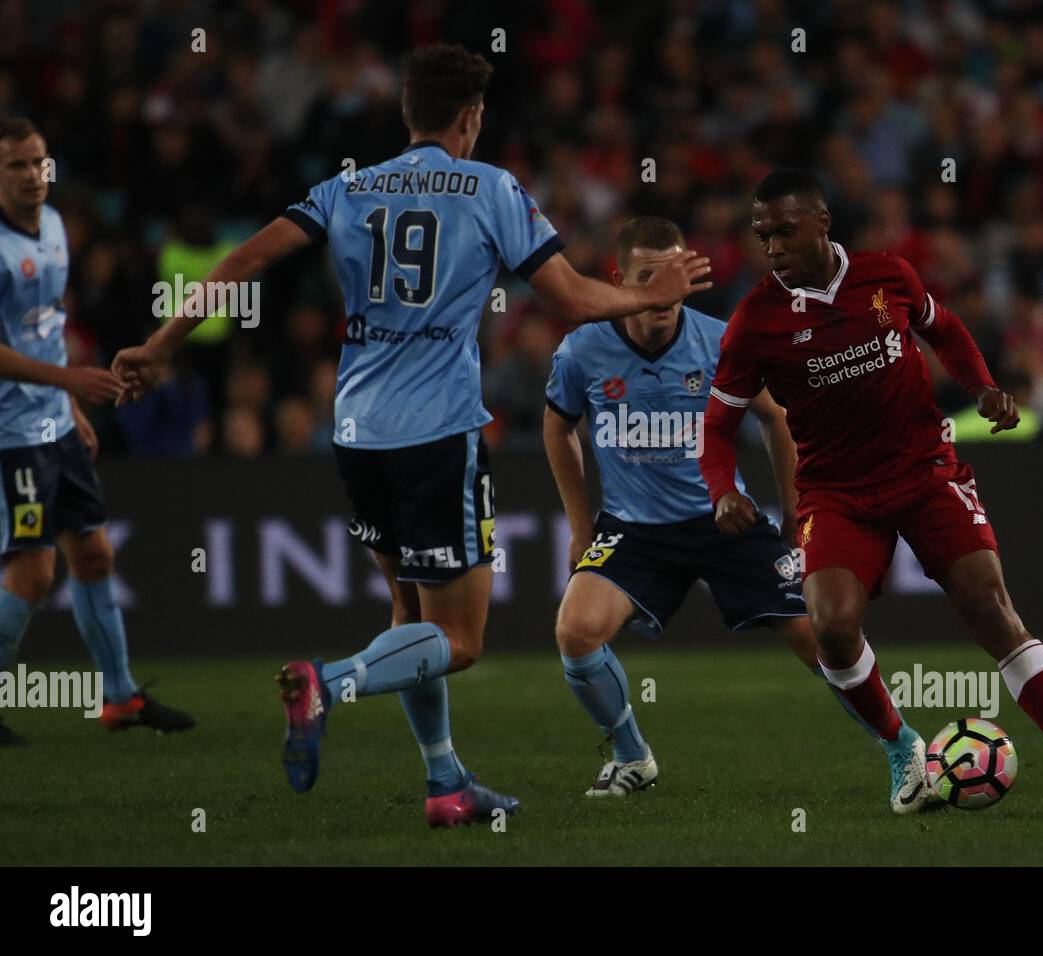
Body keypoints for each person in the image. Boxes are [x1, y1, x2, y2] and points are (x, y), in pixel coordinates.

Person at [111, 45, 710, 826]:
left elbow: (247, 259)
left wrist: (161, 345)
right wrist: (652, 294)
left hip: (357, 431)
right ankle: (328, 681)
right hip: (437, 435)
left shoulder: (348, 187)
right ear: (471, 118)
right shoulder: (492, 188)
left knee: (409, 615)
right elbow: (568, 296)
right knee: (458, 640)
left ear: (407, 114)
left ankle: (446, 783)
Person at [699, 169, 1043, 815]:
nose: (772, 246)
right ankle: (901, 746)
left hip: (925, 472)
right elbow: (719, 423)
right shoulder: (755, 321)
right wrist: (722, 489)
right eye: (761, 235)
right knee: (832, 628)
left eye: (784, 230)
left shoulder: (886, 275)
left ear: (822, 222)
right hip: (835, 492)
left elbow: (941, 328)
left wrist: (981, 387)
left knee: (988, 600)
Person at [545, 216, 930, 807]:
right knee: (575, 632)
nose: (667, 293)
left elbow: (776, 419)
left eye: (678, 277)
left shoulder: (719, 341)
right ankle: (630, 756)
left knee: (820, 635)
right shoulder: (583, 350)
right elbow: (558, 425)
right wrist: (579, 524)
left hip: (725, 520)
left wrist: (796, 514)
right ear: (621, 280)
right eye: (652, 278)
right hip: (634, 531)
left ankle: (903, 746)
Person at [0, 117, 194, 744]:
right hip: (12, 434)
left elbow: (45, 327)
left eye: (39, 162)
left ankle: (121, 699)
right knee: (32, 574)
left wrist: (72, 406)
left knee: (94, 553)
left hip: (55, 422)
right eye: (17, 166)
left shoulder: (55, 226)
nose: (33, 176)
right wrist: (69, 383)